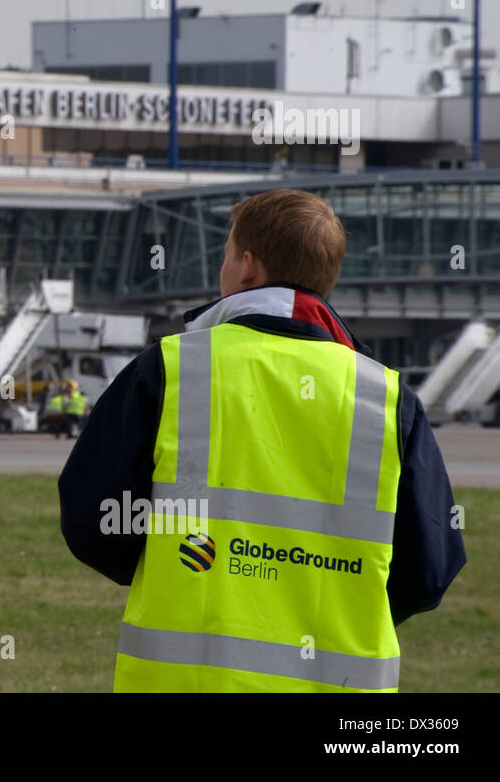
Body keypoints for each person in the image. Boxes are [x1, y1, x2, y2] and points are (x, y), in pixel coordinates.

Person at [58, 189, 465, 692]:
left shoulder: (169, 368)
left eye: (227, 255)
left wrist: (174, 573)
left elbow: (91, 519)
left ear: (247, 267)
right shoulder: (387, 398)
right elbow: (429, 571)